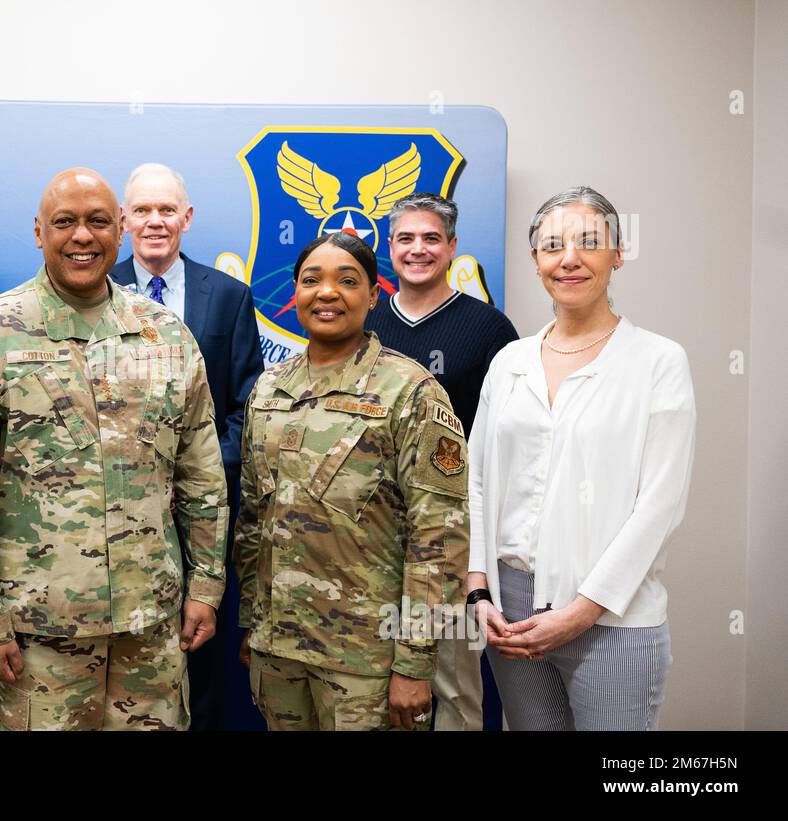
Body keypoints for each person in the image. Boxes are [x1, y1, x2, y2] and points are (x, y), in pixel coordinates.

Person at [0, 167, 228, 731]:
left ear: (120, 229)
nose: (81, 236)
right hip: (37, 637)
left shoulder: (166, 335)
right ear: (40, 233)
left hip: (150, 629)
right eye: (65, 222)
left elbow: (202, 478)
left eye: (96, 222)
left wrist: (206, 586)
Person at [467, 187, 695, 731]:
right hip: (510, 608)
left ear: (618, 253)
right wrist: (479, 590)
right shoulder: (510, 361)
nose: (569, 258)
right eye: (552, 246)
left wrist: (582, 612)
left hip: (610, 612)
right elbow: (475, 480)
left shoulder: (657, 361)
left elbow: (659, 504)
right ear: (537, 261)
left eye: (589, 242)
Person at [235, 231, 469, 731]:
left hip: (368, 661)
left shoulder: (411, 392)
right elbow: (254, 518)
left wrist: (415, 662)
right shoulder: (270, 388)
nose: (327, 292)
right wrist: (254, 621)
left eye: (347, 280)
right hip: (278, 650)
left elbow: (439, 537)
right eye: (311, 280)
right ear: (293, 294)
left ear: (372, 295)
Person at [111, 162, 264, 730]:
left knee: (199, 654)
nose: (155, 221)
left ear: (187, 218)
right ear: (125, 219)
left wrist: (196, 473)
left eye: (167, 210)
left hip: (203, 512)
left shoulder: (227, 296)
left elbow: (245, 405)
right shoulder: (92, 293)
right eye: (143, 210)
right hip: (120, 513)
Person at [364, 192, 518, 731]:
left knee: (454, 688)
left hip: (454, 539)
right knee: (379, 686)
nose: (418, 249)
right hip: (375, 539)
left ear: (452, 247)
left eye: (431, 238)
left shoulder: (490, 330)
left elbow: (508, 441)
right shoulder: (365, 325)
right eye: (405, 238)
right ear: (388, 247)